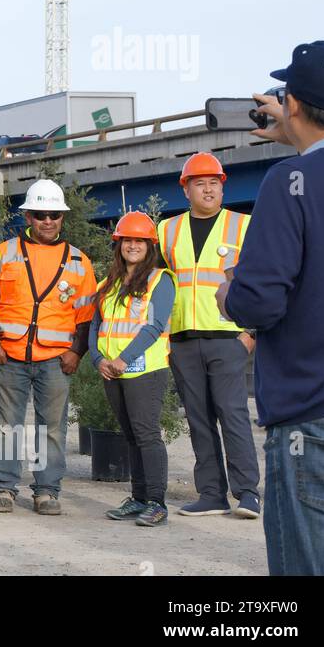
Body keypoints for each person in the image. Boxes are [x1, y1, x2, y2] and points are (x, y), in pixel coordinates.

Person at [219, 40, 324, 575]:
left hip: (314, 421)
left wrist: (230, 294)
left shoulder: (287, 184)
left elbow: (259, 302)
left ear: (291, 103)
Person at [157, 152, 260, 520]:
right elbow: (155, 285)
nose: (208, 189)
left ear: (222, 186)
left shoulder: (244, 226)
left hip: (228, 337)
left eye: (214, 183)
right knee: (198, 419)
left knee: (233, 415)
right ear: (185, 189)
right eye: (200, 183)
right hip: (183, 339)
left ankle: (247, 493)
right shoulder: (166, 230)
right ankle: (212, 494)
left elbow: (263, 281)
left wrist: (251, 333)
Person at [0, 179, 96, 516]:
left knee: (52, 427)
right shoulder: (3, 253)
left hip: (56, 359)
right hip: (9, 354)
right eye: (40, 214)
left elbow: (87, 316)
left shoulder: (80, 262)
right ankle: (4, 487)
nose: (47, 221)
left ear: (62, 217)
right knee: (5, 425)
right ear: (28, 217)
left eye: (53, 215)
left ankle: (46, 490)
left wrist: (76, 352)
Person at [92, 212, 177, 528]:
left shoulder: (160, 280)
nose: (133, 245)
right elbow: (96, 325)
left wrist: (123, 359)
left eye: (140, 240)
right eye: (127, 239)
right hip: (112, 371)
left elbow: (154, 326)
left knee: (147, 434)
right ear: (119, 244)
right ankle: (139, 498)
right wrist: (97, 360)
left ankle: (157, 503)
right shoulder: (108, 284)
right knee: (130, 435)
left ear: (150, 245)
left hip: (145, 371)